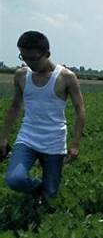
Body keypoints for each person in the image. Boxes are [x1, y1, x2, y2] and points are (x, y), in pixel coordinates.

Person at [1, 30, 85, 203]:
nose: (28, 62)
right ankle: (37, 188)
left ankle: (45, 192)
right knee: (14, 179)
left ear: (46, 54)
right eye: (23, 57)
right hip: (27, 138)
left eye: (33, 58)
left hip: (54, 141)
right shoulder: (21, 75)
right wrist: (3, 137)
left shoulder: (66, 77)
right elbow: (15, 106)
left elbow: (80, 110)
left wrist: (75, 143)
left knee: (49, 197)